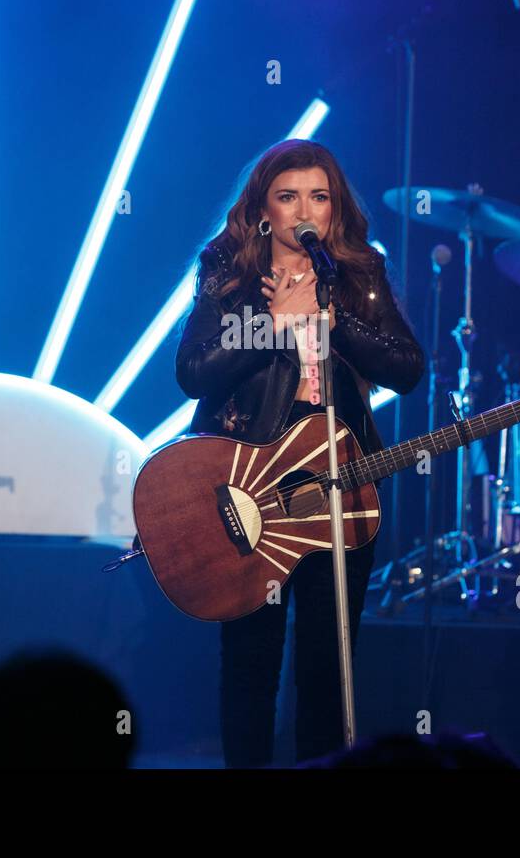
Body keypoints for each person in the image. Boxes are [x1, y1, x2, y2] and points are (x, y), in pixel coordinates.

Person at [176, 139, 424, 767]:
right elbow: (194, 373)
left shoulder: (358, 271)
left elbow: (407, 368)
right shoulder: (226, 268)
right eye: (288, 197)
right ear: (264, 208)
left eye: (319, 196)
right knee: (253, 656)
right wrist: (273, 325)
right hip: (252, 483)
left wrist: (331, 318)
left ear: (335, 209)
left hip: (341, 479)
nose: (304, 210)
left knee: (328, 661)